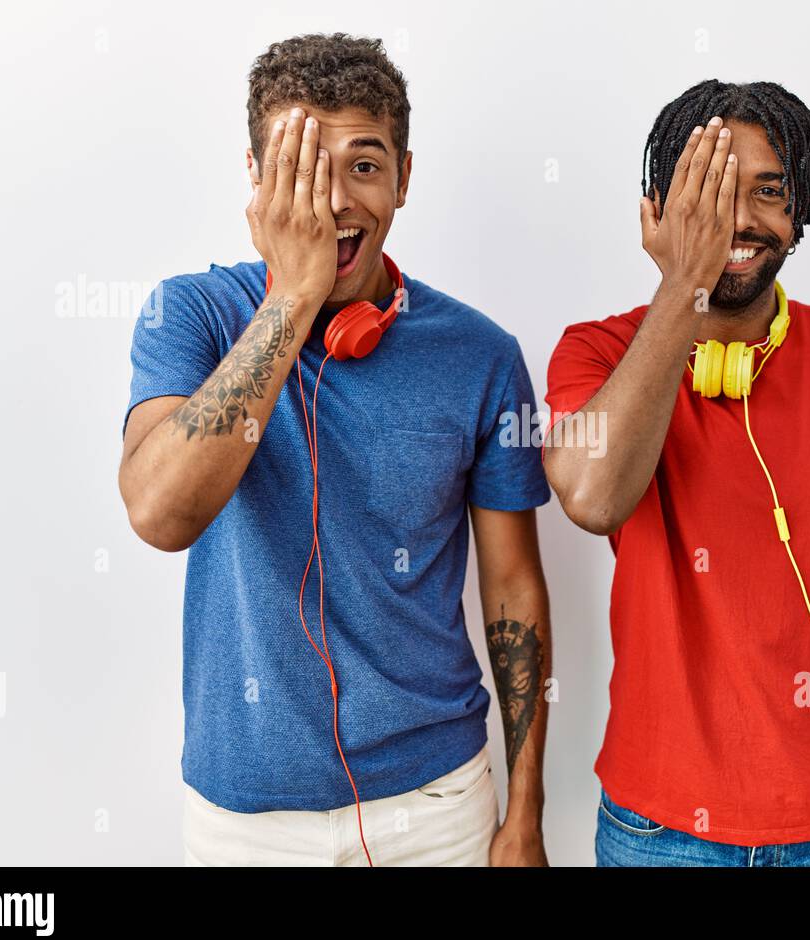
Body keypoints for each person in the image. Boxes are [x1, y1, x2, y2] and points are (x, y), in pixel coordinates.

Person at [119, 33, 552, 867]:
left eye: (362, 164)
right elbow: (160, 513)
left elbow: (513, 586)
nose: (334, 200)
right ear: (256, 176)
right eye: (302, 166)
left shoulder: (482, 355)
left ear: (404, 177)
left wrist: (525, 809)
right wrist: (294, 295)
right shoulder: (189, 317)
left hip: (439, 804)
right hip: (247, 823)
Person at [543, 80, 810, 867]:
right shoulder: (596, 355)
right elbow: (594, 498)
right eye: (708, 193)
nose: (738, 219)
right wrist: (683, 286)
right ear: (657, 211)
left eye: (767, 191)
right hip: (657, 834)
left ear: (799, 212)